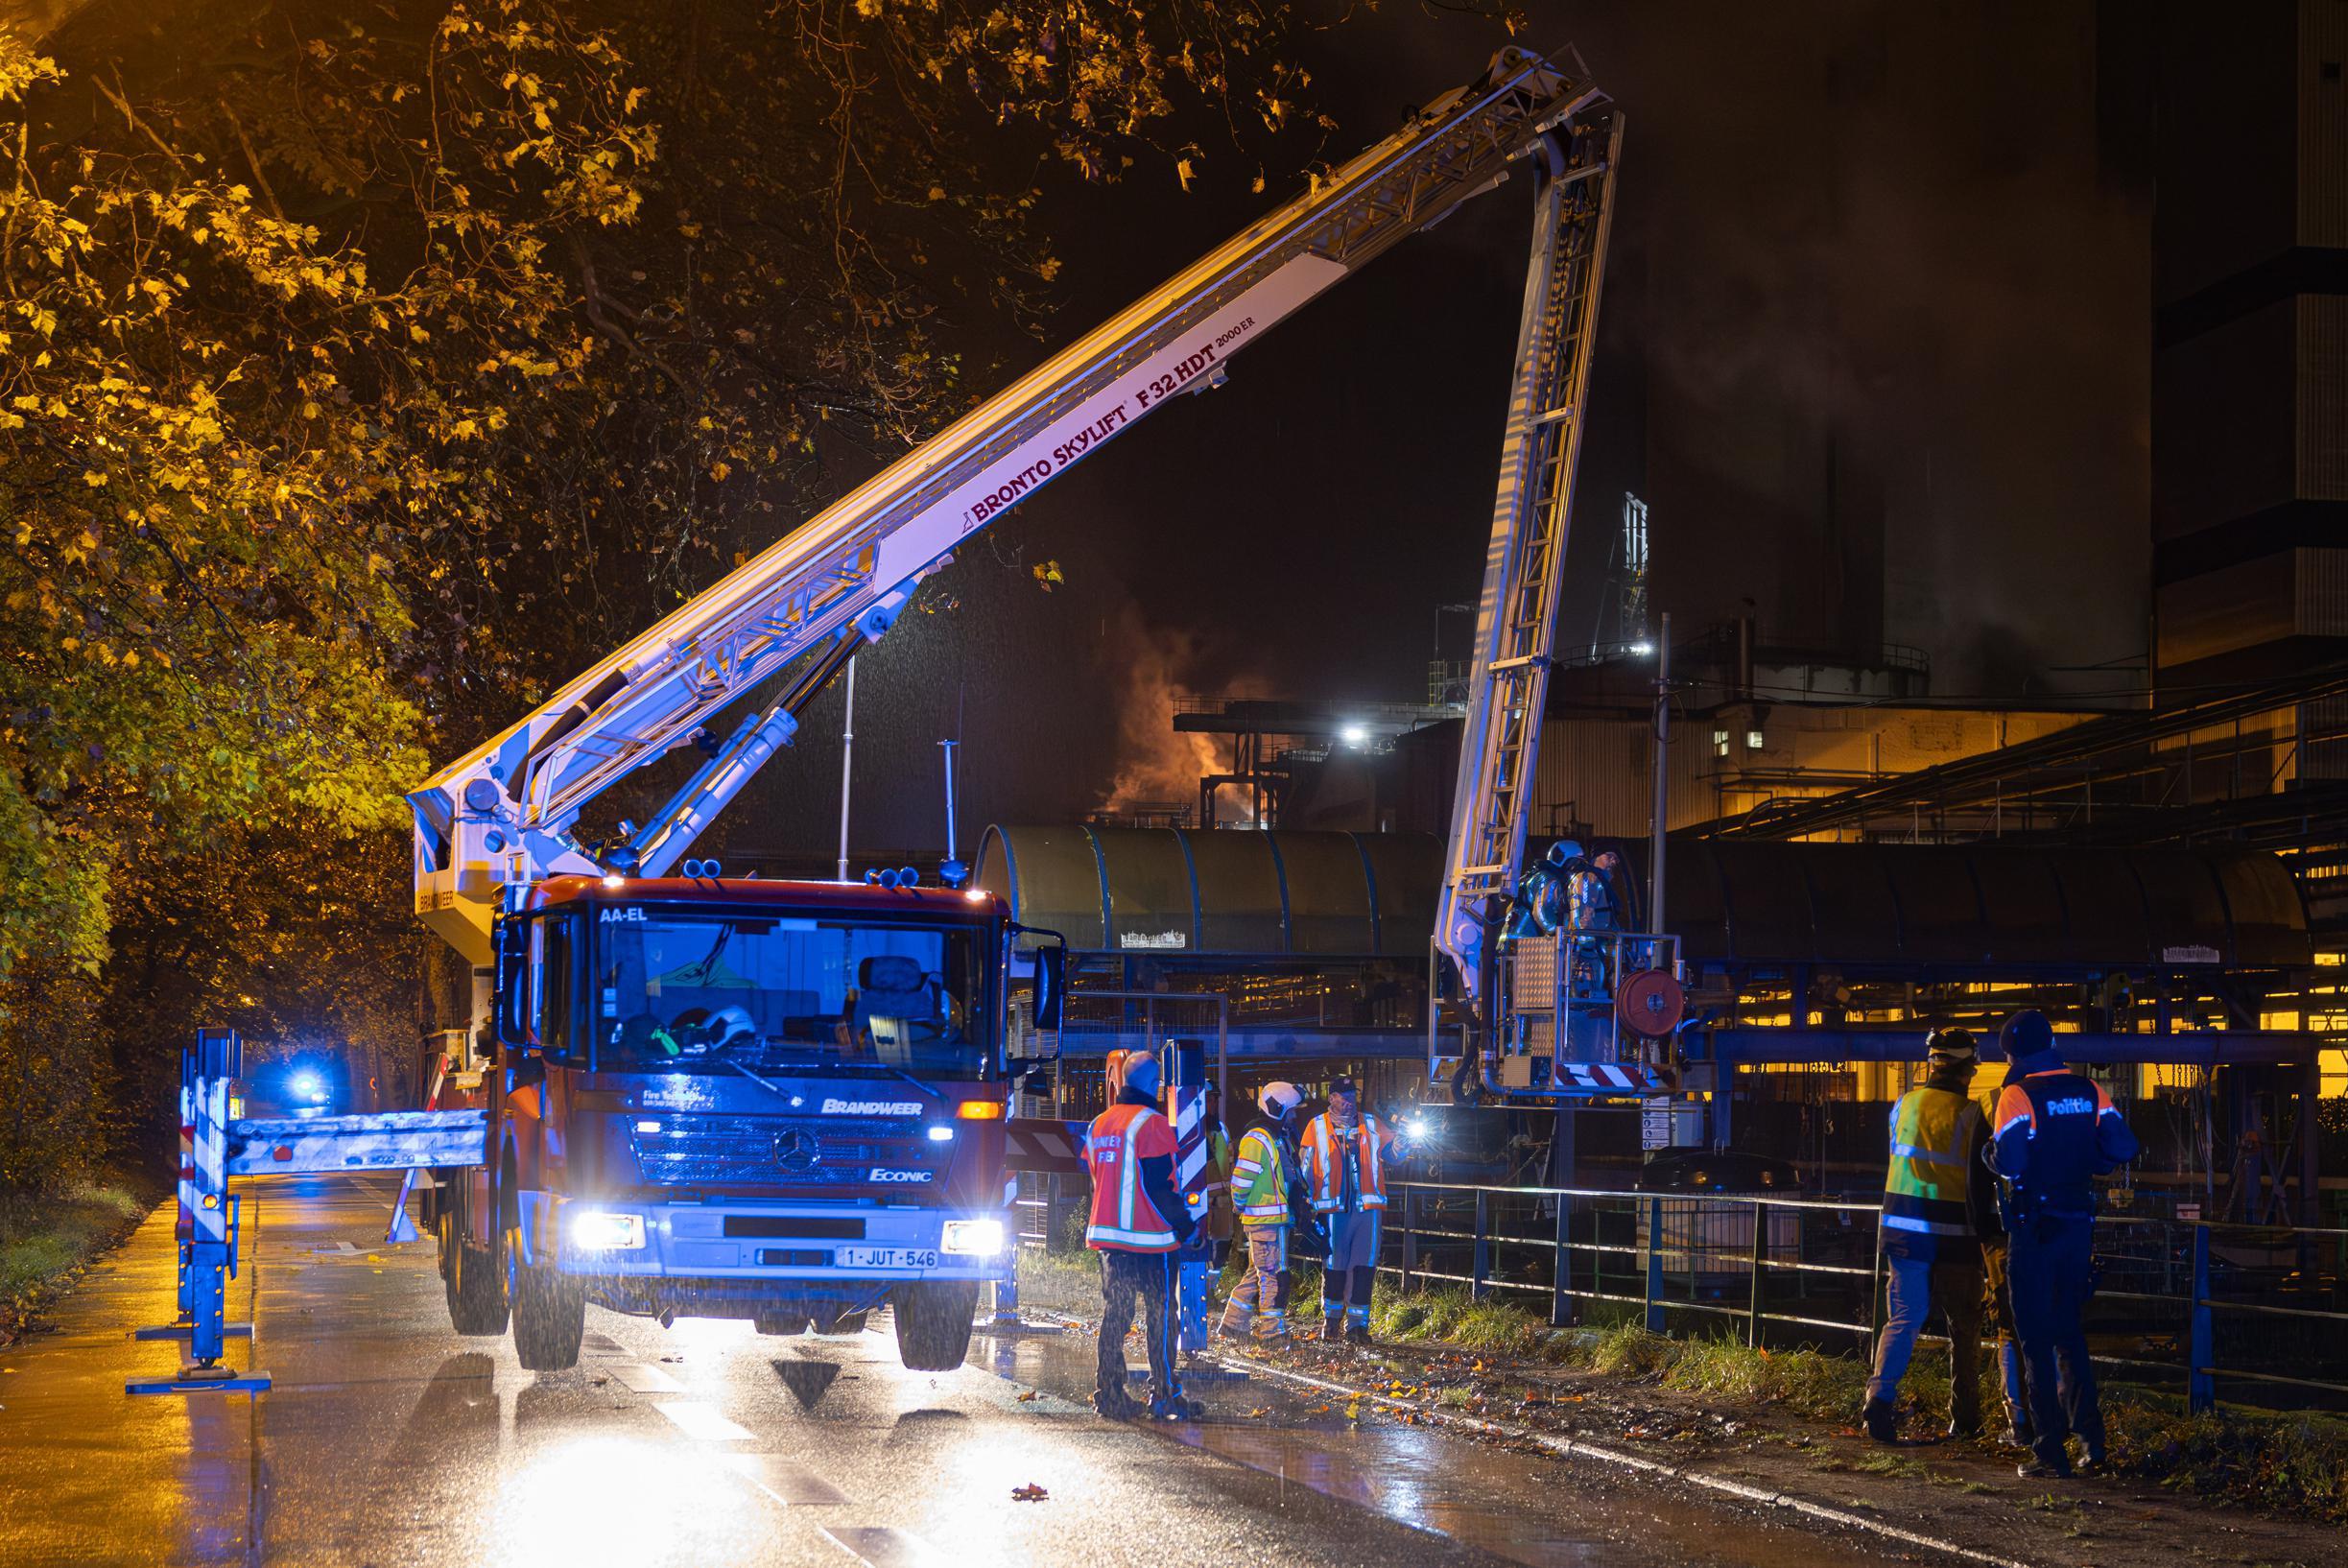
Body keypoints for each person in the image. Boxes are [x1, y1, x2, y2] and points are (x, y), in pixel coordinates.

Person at [1991, 1009, 2138, 1480]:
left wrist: (1991, 1155)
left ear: (2013, 1052)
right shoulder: (2089, 1090)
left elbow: (2011, 1162)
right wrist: (2086, 1155)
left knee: (2035, 1341)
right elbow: (2122, 1148)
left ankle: (2048, 1450)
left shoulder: (2016, 1095)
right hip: (2078, 1226)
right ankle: (2092, 1445)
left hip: (2034, 1230)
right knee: (2071, 1335)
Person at [1862, 1028, 1988, 1443]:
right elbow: (1981, 1179)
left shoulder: (1902, 1106)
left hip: (1902, 1232)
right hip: (1955, 1236)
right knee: (1964, 1325)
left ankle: (1878, 1400)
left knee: (1904, 1318)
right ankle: (1965, 1420)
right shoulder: (1972, 1115)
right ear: (1968, 1068)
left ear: (1932, 1064)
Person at [1081, 1055, 1198, 1420]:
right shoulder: (1152, 1123)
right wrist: (1186, 1226)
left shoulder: (1098, 1124)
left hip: (1109, 1239)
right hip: (1151, 1239)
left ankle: (1110, 1393)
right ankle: (1164, 1395)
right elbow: (1160, 1184)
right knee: (1162, 1314)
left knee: (1115, 1315)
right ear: (1154, 1085)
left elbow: (1100, 1178)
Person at [1299, 1075, 1395, 1343]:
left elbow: (1393, 1155)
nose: (1350, 1102)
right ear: (1332, 1098)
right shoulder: (1315, 1127)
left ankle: (1358, 1327)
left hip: (1368, 1208)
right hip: (1332, 1210)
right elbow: (1304, 1168)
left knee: (1364, 1267)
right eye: (1344, 1097)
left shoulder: (1372, 1124)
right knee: (1335, 1266)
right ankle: (1331, 1322)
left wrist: (1403, 1143)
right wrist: (1305, 1203)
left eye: (1353, 1095)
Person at [1220, 1081, 1304, 1345]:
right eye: (1291, 1111)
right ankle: (1272, 1333)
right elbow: (1241, 1181)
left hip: (1270, 1219)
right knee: (1273, 1275)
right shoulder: (1259, 1138)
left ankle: (1233, 1324)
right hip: (1266, 1220)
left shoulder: (1272, 1136)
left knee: (1258, 1272)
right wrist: (1239, 1205)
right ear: (1277, 1109)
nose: (1294, 1115)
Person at [1200, 1086, 1237, 1270]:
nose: (1213, 1104)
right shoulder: (1194, 1130)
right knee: (1204, 1245)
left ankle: (1212, 1286)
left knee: (1223, 1245)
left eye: (1215, 1100)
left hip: (1223, 1198)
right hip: (1204, 1200)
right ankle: (1206, 1288)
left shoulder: (1221, 1128)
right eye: (1208, 1100)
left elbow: (1230, 1160)